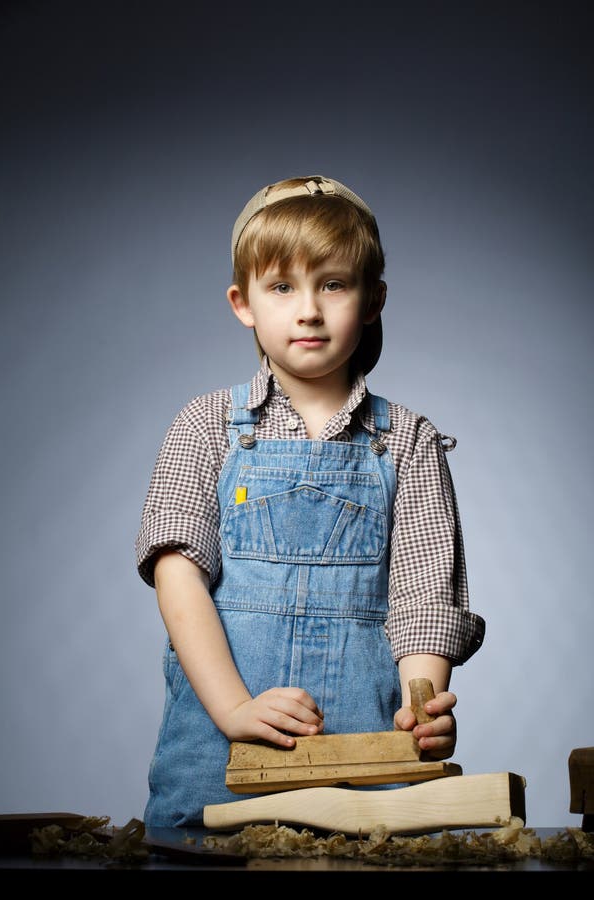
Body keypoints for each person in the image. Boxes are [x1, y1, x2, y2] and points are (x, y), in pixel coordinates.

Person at [135, 175, 486, 828]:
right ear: (242, 302)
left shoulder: (407, 440)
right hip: (221, 752)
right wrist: (235, 708)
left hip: (367, 761)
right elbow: (176, 573)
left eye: (332, 284)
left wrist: (421, 710)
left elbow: (423, 599)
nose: (307, 310)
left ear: (372, 298)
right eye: (281, 286)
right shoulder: (204, 424)